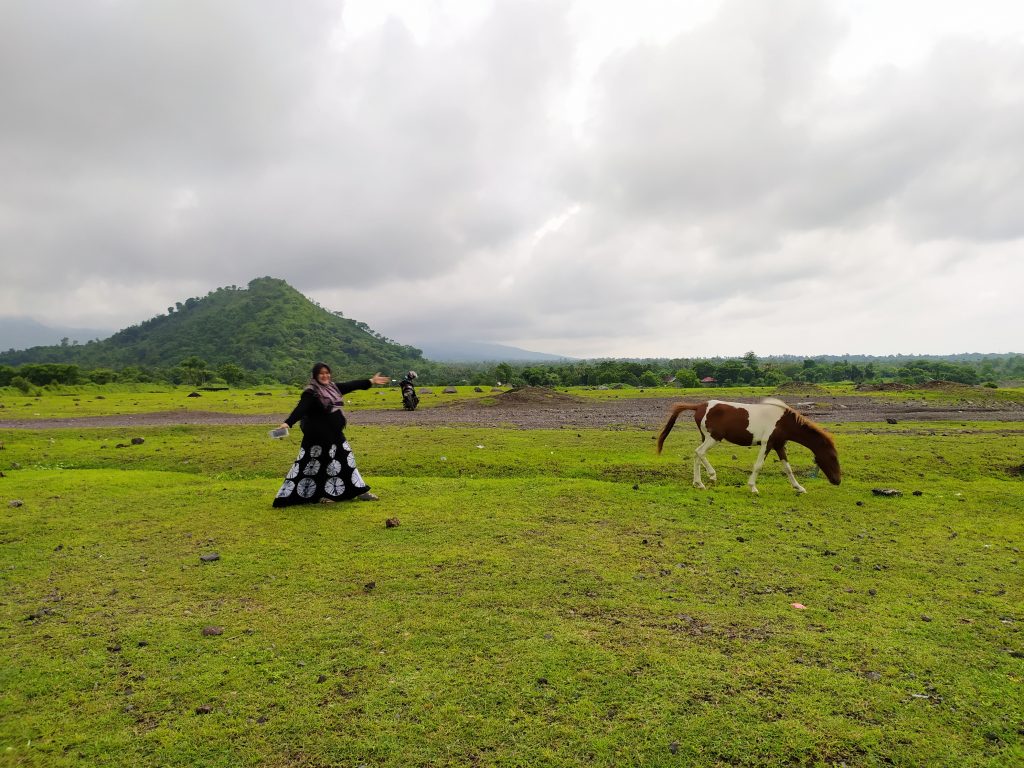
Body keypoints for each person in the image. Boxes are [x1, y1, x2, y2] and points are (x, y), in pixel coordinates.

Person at [272, 363, 390, 507]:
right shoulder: (311, 392)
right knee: (318, 465)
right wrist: (287, 423)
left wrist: (371, 381)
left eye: (327, 373)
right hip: (317, 438)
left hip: (335, 435)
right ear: (315, 375)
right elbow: (301, 409)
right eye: (321, 373)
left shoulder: (333, 388)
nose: (325, 376)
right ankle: (321, 495)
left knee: (347, 461)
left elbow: (351, 385)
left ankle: (359, 490)